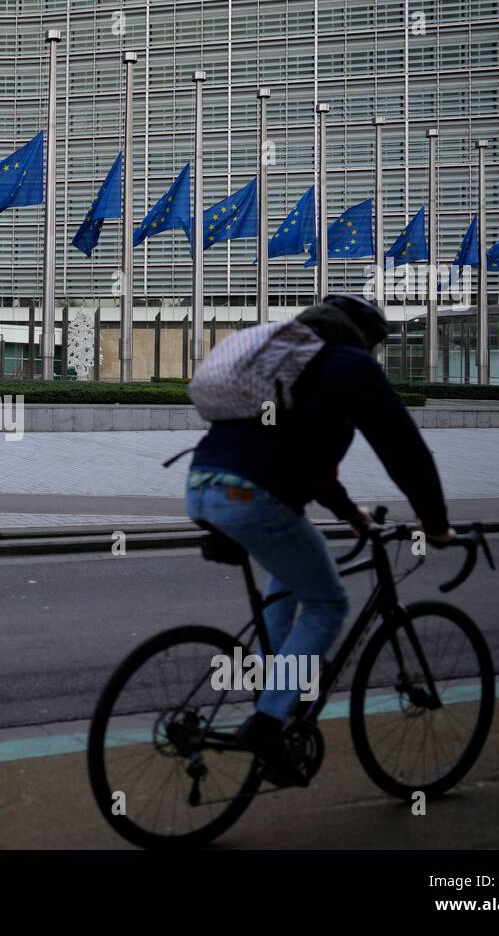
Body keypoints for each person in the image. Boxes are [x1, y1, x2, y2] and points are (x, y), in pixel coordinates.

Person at [185, 293, 455, 786]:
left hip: (203, 488)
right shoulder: (349, 365)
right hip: (255, 498)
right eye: (375, 344)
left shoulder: (287, 366)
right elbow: (405, 451)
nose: (374, 354)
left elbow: (306, 462)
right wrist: (435, 525)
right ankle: (269, 720)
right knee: (328, 604)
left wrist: (352, 516)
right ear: (363, 338)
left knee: (287, 580)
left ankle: (274, 681)